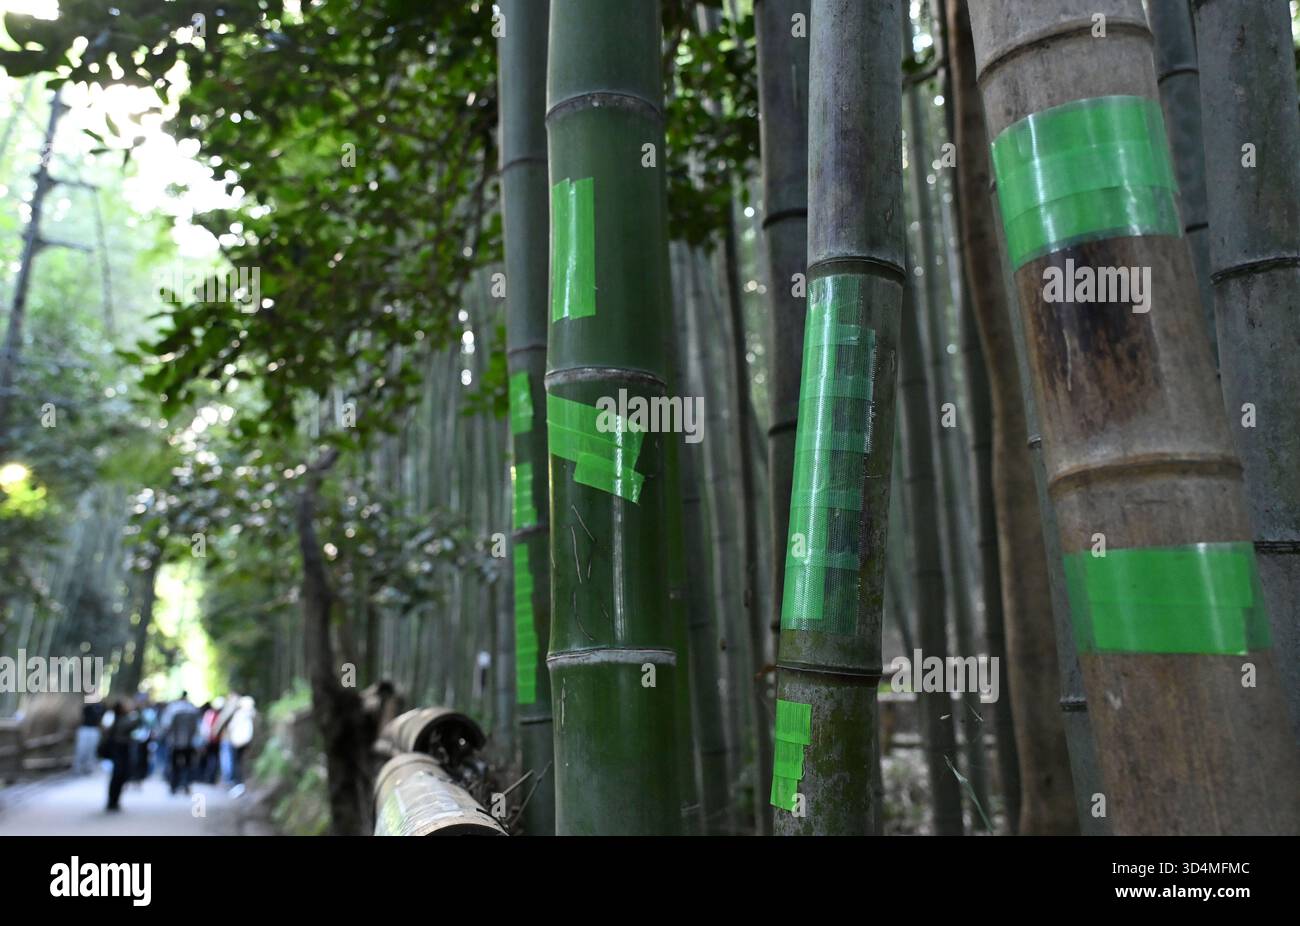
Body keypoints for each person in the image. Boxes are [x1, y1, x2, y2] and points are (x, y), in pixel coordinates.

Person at [159, 690, 200, 794]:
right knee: (187, 764)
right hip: (189, 743)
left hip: (174, 742)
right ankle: (186, 785)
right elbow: (196, 727)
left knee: (173, 765)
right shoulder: (192, 709)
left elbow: (166, 725)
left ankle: (173, 785)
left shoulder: (172, 708)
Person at [102, 699, 138, 812]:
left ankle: (115, 800)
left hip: (122, 749)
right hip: (117, 749)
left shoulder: (123, 718)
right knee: (118, 775)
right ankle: (112, 801)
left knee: (121, 775)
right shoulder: (116, 718)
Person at [226, 696, 256, 795]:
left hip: (237, 742)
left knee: (236, 763)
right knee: (241, 762)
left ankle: (238, 784)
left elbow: (231, 727)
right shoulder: (252, 715)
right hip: (246, 742)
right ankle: (240, 784)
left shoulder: (240, 714)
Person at [74, 701, 105, 775]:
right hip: (85, 729)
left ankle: (89, 768)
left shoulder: (101, 706)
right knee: (81, 749)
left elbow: (101, 717)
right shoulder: (87, 707)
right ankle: (78, 768)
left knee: (92, 750)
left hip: (94, 729)